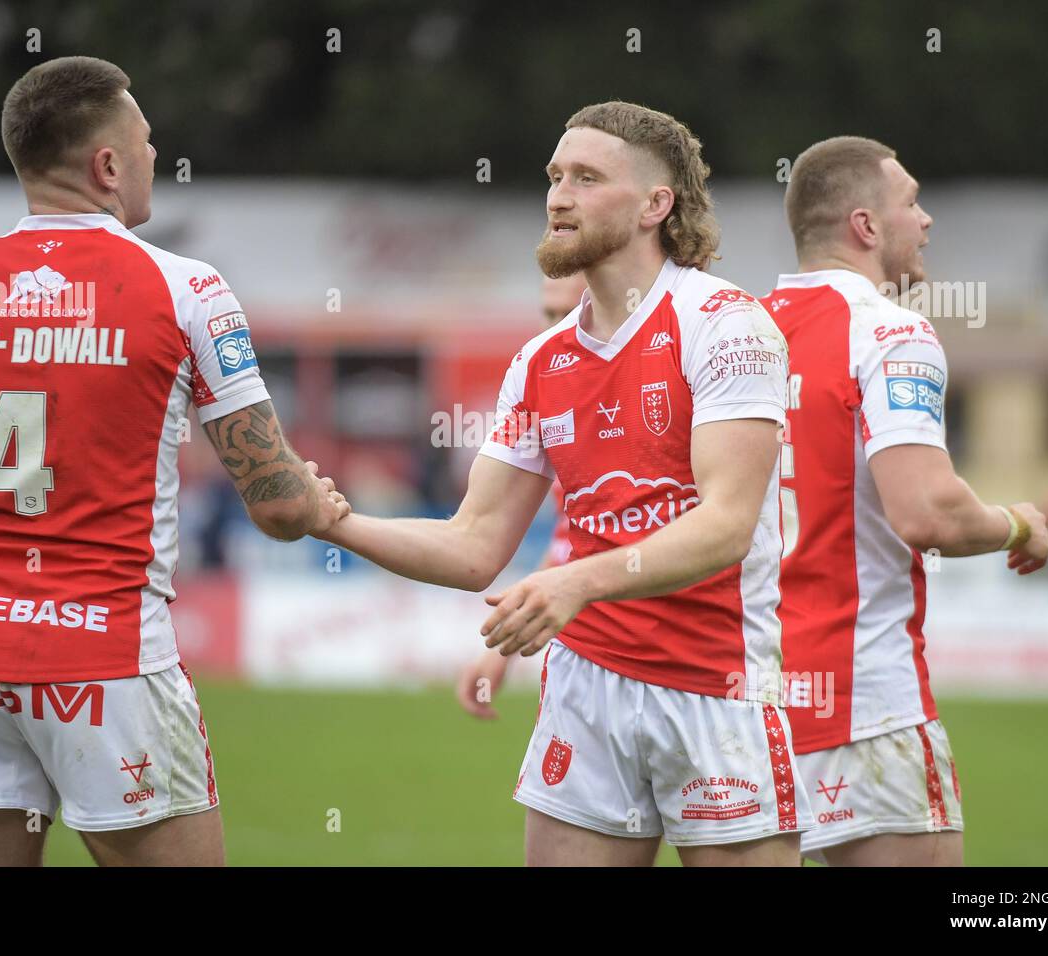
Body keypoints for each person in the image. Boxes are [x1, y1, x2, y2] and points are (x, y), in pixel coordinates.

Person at [0, 56, 347, 866]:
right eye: (148, 142)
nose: (157, 157)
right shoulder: (185, 289)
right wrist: (318, 502)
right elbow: (281, 507)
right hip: (110, 661)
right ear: (108, 165)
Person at [322, 101, 809, 866]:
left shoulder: (726, 324)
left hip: (715, 691)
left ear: (657, 205)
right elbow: (474, 544)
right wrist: (332, 523)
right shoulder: (541, 360)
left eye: (586, 177)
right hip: (587, 687)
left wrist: (573, 583)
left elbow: (726, 526)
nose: (557, 195)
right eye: (555, 176)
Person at [759, 136, 1048, 866]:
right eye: (912, 203)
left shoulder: (738, 334)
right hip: (862, 696)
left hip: (746, 702)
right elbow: (926, 513)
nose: (926, 222)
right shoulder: (889, 330)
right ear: (865, 226)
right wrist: (1019, 522)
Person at [455, 273, 584, 720]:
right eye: (547, 317)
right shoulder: (545, 391)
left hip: (683, 673)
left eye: (566, 316)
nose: (553, 333)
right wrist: (502, 649)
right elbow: (572, 543)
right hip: (594, 664)